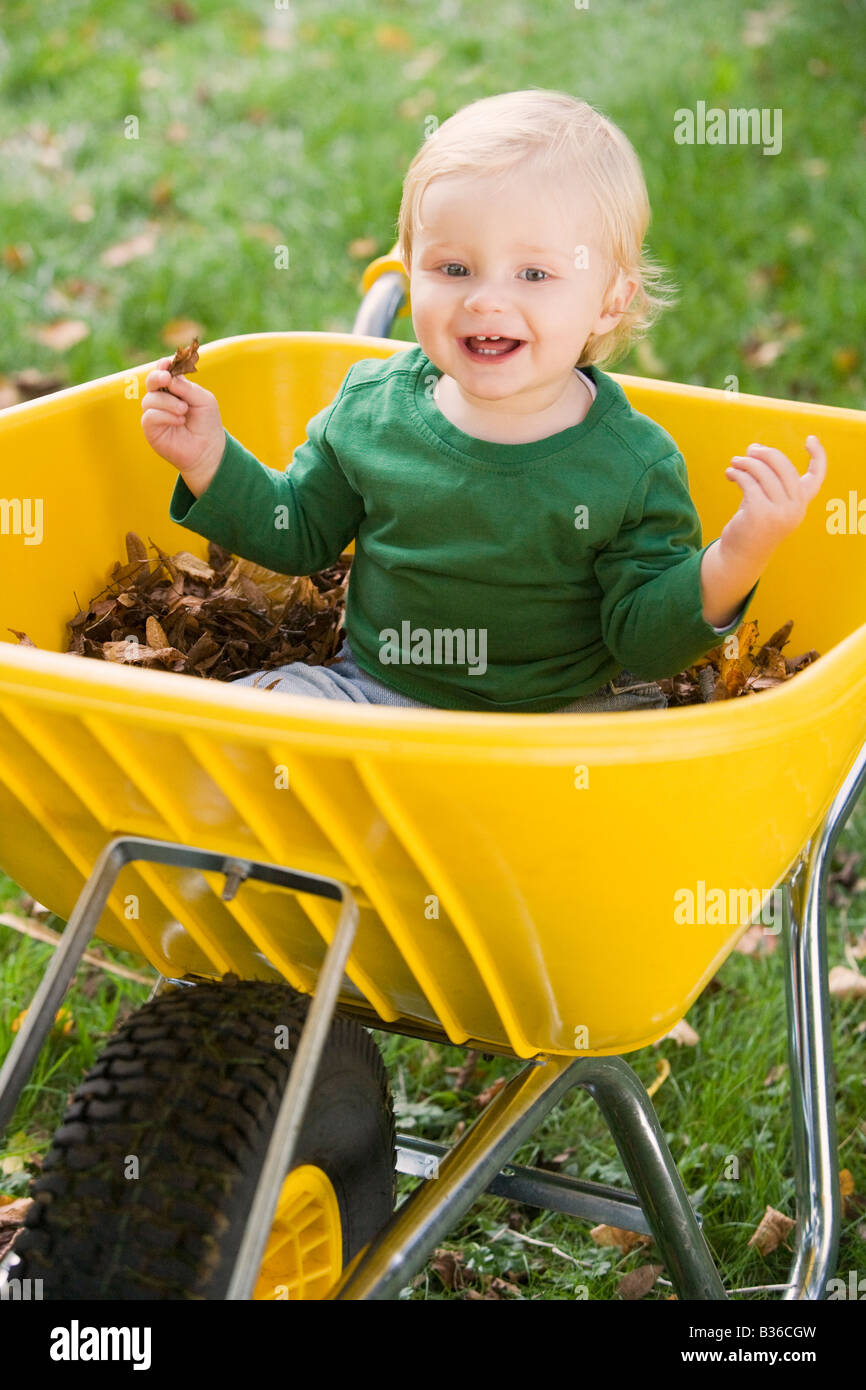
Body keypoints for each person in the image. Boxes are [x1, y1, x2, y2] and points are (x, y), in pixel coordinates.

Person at [140, 89, 826, 714]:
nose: (486, 299)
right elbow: (299, 535)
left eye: (533, 273)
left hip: (569, 712)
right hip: (381, 695)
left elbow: (644, 640)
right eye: (455, 268)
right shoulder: (372, 411)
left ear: (610, 303)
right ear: (411, 272)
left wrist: (739, 552)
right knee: (248, 713)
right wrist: (211, 460)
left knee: (634, 774)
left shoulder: (632, 466)